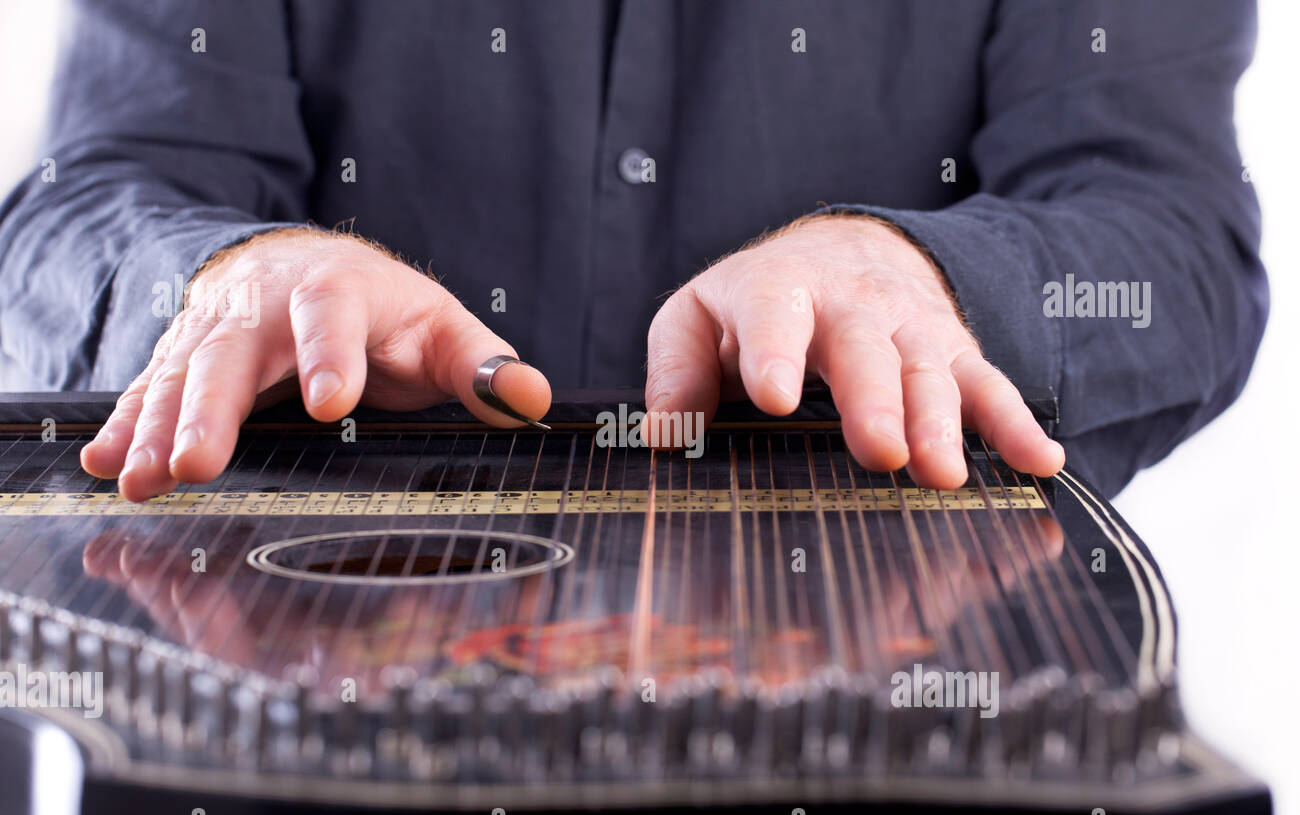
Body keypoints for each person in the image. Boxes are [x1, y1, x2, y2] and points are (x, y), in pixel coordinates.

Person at [0, 0, 1266, 503]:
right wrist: (233, 277)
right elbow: (79, 208)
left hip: (894, 705)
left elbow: (1170, 236)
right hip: (302, 693)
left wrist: (920, 274)